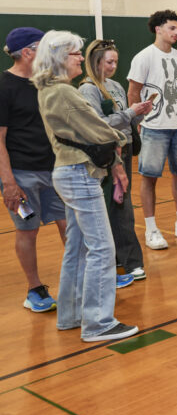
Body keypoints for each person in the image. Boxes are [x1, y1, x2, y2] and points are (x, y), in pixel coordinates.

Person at [33, 30, 138, 342]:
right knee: (102, 248)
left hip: (69, 171)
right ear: (59, 59)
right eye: (75, 53)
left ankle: (71, 314)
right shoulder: (64, 93)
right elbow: (99, 128)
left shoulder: (51, 90)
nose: (81, 58)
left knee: (77, 248)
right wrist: (120, 139)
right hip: (79, 173)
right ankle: (98, 322)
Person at [127, 10, 177, 249]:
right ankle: (151, 229)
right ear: (158, 29)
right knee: (149, 177)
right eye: (172, 28)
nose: (176, 33)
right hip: (154, 127)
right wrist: (138, 121)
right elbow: (133, 91)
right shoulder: (143, 57)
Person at [0, 27, 68, 312]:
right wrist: (8, 182)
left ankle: (81, 278)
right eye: (43, 47)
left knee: (70, 225)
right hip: (22, 173)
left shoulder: (46, 83)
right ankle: (34, 289)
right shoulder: (4, 86)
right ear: (27, 52)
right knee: (27, 231)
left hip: (55, 170)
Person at [80, 39, 151, 281]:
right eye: (109, 62)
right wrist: (131, 112)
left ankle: (120, 257)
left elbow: (125, 120)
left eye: (116, 62)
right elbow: (98, 125)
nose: (113, 66)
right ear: (96, 62)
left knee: (120, 203)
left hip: (125, 147)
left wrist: (139, 115)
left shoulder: (115, 86)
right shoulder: (88, 89)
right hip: (108, 154)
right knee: (119, 206)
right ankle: (131, 262)